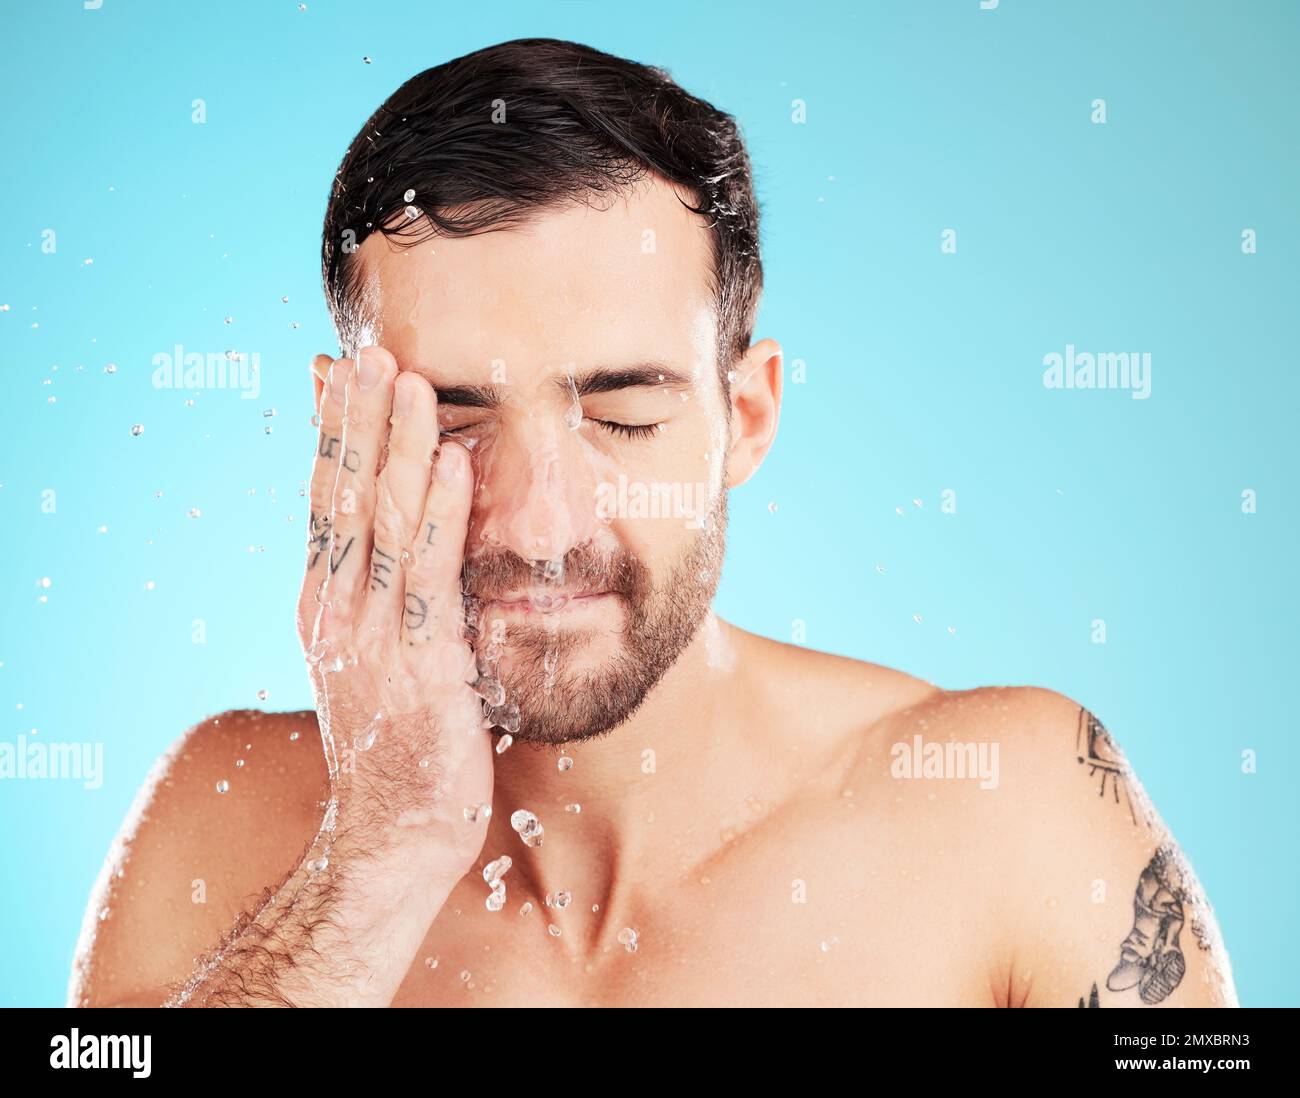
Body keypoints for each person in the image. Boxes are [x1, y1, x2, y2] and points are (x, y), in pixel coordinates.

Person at [69, 38, 1237, 1008]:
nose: (539, 523)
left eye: (624, 414)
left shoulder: (1012, 812)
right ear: (346, 433)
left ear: (747, 412)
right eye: (456, 419)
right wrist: (378, 854)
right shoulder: (220, 831)